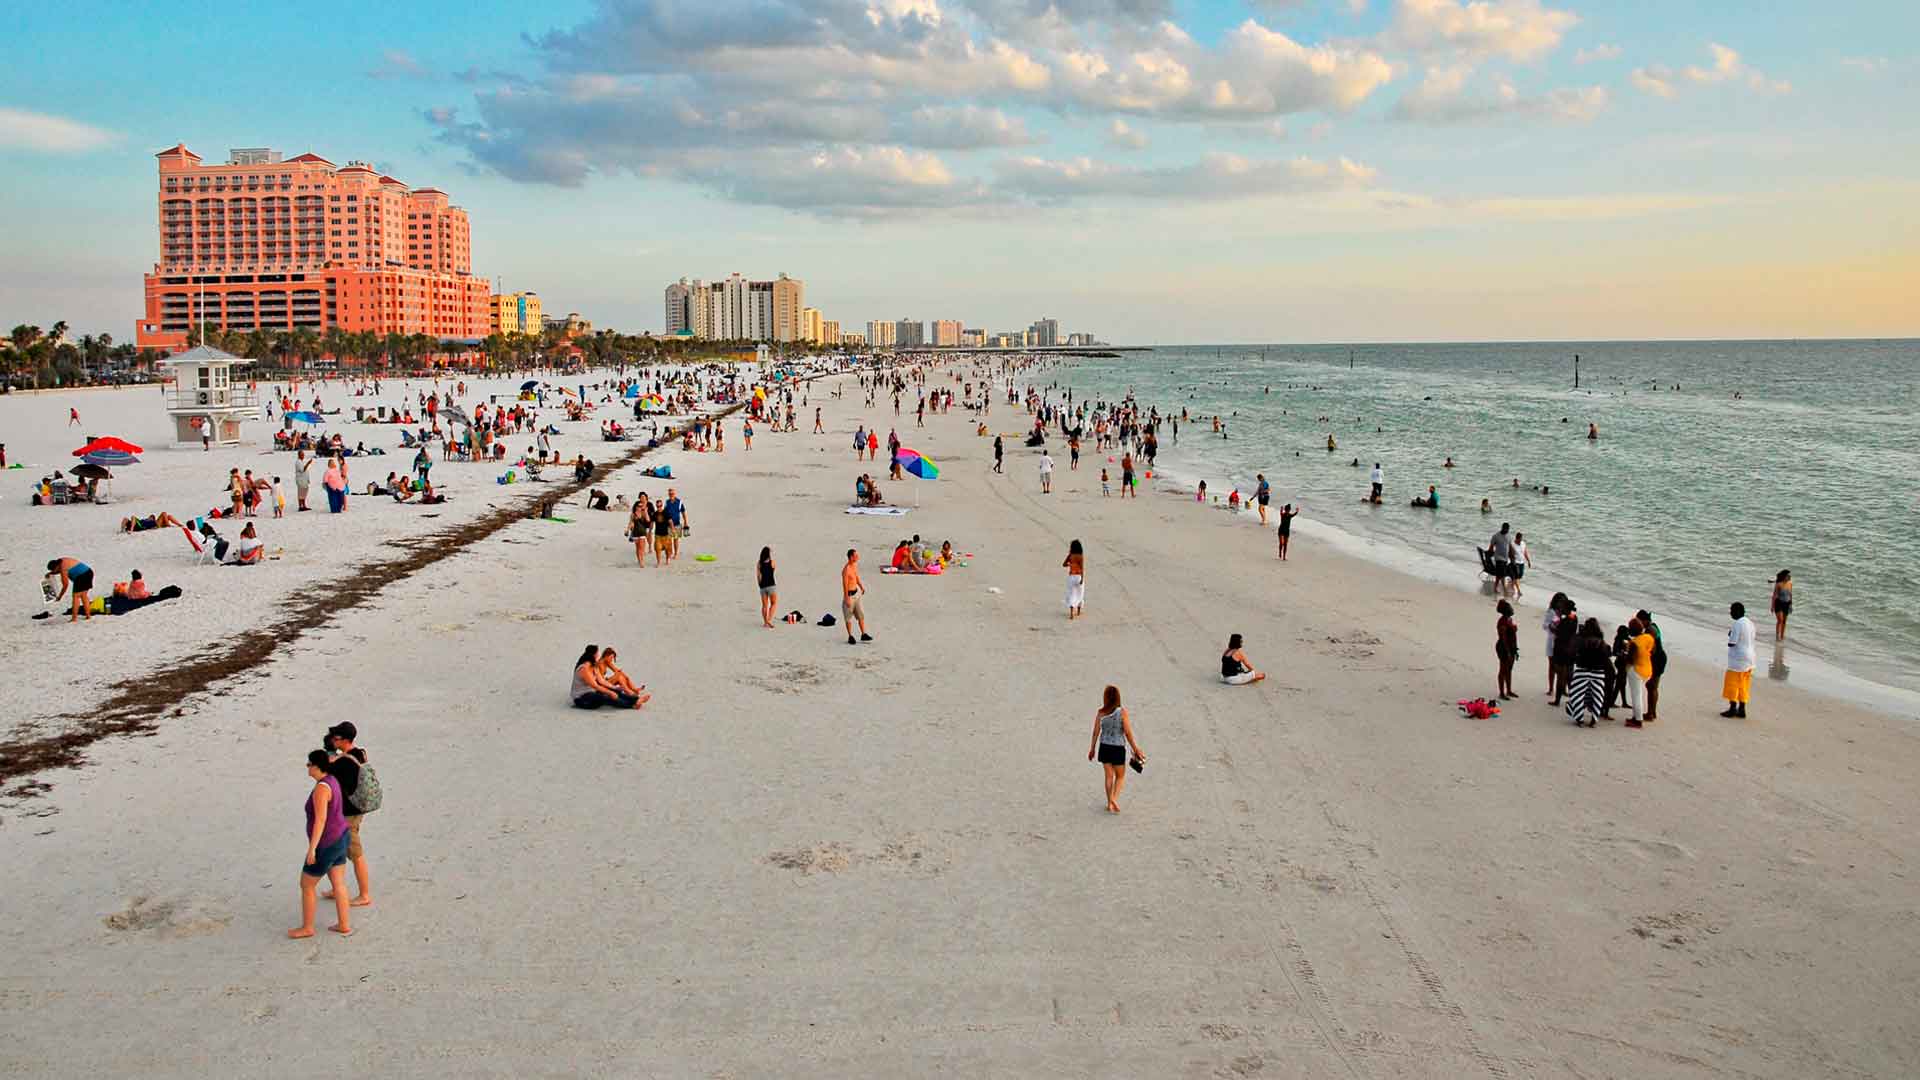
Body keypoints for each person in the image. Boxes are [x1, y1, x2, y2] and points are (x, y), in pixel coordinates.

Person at [289, 749, 353, 939]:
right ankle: (344, 924)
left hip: (327, 843)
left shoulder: (321, 789)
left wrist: (312, 849)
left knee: (307, 884)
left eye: (309, 764)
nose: (307, 767)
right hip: (342, 836)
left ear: (317, 767)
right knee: (338, 882)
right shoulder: (333, 780)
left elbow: (320, 820)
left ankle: (307, 927)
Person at [323, 722, 374, 909]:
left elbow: (325, 771)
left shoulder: (343, 763)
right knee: (339, 850)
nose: (333, 741)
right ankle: (337, 888)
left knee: (355, 852)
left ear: (345, 740)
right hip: (356, 810)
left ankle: (364, 894)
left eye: (336, 739)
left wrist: (330, 757)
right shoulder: (360, 753)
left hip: (348, 814)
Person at [1087, 685, 1144, 814]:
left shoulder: (1100, 713)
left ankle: (1109, 803)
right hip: (1118, 748)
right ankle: (1113, 799)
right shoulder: (1122, 712)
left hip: (1104, 747)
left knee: (1108, 776)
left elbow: (1095, 732)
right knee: (1120, 776)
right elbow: (1128, 733)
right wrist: (1136, 749)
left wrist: (1092, 749)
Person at [1564, 618, 1610, 727]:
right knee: (1597, 695)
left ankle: (1579, 718)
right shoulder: (1601, 642)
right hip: (1598, 673)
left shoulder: (1581, 640)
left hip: (1582, 670)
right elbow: (1606, 655)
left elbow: (1571, 653)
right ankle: (1594, 718)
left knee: (1577, 694)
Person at [571, 644, 642, 709]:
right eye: (597, 654)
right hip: (581, 698)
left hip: (592, 692)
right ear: (592, 655)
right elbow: (595, 686)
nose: (598, 655)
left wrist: (615, 688)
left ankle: (636, 699)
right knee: (606, 697)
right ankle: (632, 705)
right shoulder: (584, 669)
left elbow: (602, 681)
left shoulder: (594, 666)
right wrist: (610, 693)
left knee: (615, 691)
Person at [1723, 601, 1756, 718]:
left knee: (1732, 683)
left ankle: (1732, 708)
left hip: (1738, 660)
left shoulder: (1737, 624)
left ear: (1737, 612)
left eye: (1732, 611)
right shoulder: (1750, 623)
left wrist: (1731, 634)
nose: (1730, 613)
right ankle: (1742, 709)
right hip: (1750, 658)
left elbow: (1732, 643)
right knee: (1744, 684)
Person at [1624, 618, 1655, 728]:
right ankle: (1635, 716)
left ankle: (1638, 720)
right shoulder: (1648, 637)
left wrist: (1625, 651)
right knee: (1638, 693)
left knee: (1636, 696)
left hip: (1636, 670)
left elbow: (1630, 659)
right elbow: (1651, 650)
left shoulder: (1634, 643)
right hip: (1647, 669)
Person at [1638, 609, 1667, 721]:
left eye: (1640, 621)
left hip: (1658, 659)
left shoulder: (1650, 630)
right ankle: (1652, 712)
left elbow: (1652, 649)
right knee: (1652, 686)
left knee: (1651, 686)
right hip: (1659, 658)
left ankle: (1651, 714)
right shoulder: (1653, 626)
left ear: (1644, 620)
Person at [48, 556, 95, 623]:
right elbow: (62, 569)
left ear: (56, 567)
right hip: (89, 572)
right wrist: (51, 573)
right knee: (83, 595)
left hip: (81, 577)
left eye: (52, 570)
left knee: (76, 597)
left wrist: (60, 596)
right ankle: (88, 615)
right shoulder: (62, 560)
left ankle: (74, 618)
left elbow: (65, 585)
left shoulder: (63, 569)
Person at [842, 548, 871, 644]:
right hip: (849, 595)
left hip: (856, 594)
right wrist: (847, 598)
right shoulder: (846, 570)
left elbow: (856, 577)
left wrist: (861, 587)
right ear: (851, 557)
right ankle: (850, 635)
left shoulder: (854, 565)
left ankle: (863, 634)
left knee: (861, 615)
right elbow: (845, 585)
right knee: (848, 617)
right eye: (855, 556)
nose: (857, 557)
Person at [1494, 600, 1518, 700]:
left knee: (1509, 669)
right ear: (1506, 610)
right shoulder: (1503, 622)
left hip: (1511, 646)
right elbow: (1503, 638)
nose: (1512, 609)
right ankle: (1501, 692)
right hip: (1504, 647)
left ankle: (1508, 690)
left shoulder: (1509, 619)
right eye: (1510, 608)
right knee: (1503, 669)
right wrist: (1508, 651)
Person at [1063, 539, 1085, 619]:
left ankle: (1072, 613)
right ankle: (1078, 612)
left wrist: (1070, 564)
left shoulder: (1070, 555)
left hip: (1071, 576)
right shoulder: (1080, 556)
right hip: (1078, 576)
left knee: (1072, 593)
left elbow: (1064, 564)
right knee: (1080, 593)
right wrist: (1082, 578)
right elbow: (1082, 568)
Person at [758, 546, 778, 629]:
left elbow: (758, 576)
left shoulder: (759, 563)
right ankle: (769, 620)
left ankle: (765, 622)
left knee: (764, 605)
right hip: (771, 585)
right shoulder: (772, 562)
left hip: (762, 586)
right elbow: (773, 571)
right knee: (773, 603)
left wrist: (760, 585)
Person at [1770, 570, 1793, 641]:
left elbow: (1790, 594)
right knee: (1780, 620)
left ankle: (1782, 636)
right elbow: (1774, 595)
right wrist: (1772, 606)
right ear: (1784, 576)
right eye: (1788, 575)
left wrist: (1791, 605)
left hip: (1787, 603)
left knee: (1784, 621)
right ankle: (1777, 636)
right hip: (1779, 603)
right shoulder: (1778, 584)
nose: (1790, 576)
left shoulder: (1790, 583)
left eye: (1790, 575)